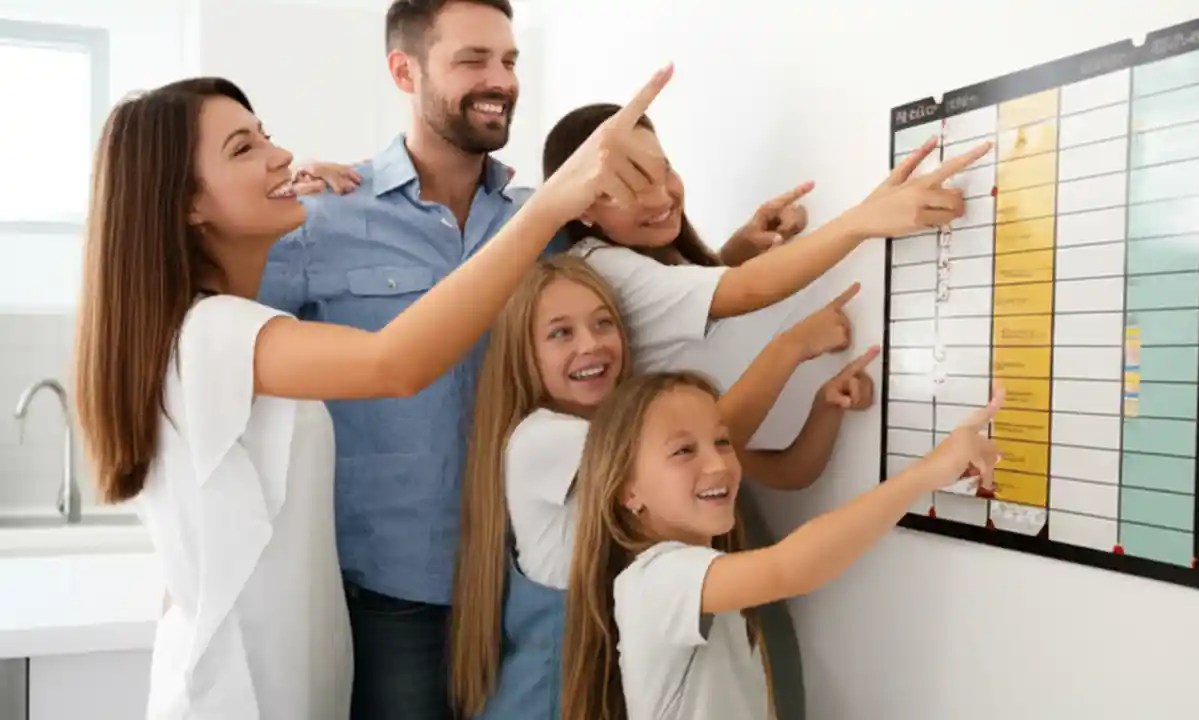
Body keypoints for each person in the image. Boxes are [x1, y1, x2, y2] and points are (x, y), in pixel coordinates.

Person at [256, 5, 816, 714]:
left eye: (510, 60)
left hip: (543, 581)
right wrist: (269, 197)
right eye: (472, 60)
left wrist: (735, 249)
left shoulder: (544, 223)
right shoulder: (324, 217)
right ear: (404, 70)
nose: (500, 80)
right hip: (397, 596)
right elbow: (233, 365)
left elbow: (626, 296)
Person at [73, 63, 676, 719]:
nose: (281, 156)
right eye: (243, 149)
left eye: (265, 136)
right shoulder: (216, 331)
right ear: (187, 201)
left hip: (279, 677)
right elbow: (395, 363)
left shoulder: (224, 330)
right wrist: (549, 207)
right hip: (240, 694)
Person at [448, 253, 878, 718]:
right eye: (560, 333)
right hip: (551, 694)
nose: (591, 344)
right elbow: (721, 430)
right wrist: (790, 348)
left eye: (603, 323)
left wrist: (825, 408)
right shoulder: (539, 439)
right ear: (524, 356)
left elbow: (786, 472)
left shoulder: (655, 444)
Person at [561, 372, 1004, 720]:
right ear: (627, 492)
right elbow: (790, 568)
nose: (718, 464)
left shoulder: (705, 576)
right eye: (683, 451)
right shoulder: (655, 580)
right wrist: (927, 473)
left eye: (721, 441)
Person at [542, 102, 990, 371]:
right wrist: (864, 219)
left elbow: (678, 303)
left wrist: (736, 250)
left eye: (666, 171)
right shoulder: (599, 270)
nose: (661, 195)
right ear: (582, 204)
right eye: (634, 185)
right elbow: (745, 292)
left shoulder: (628, 260)